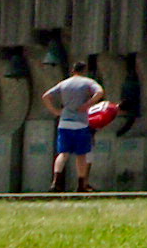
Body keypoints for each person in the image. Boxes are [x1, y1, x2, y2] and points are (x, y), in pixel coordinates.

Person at [41, 60, 105, 193]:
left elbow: (46, 96)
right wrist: (88, 104)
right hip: (81, 123)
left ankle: (56, 182)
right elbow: (100, 92)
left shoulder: (64, 83)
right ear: (84, 71)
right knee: (81, 154)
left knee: (63, 154)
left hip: (64, 122)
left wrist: (55, 111)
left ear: (73, 71)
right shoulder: (88, 82)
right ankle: (81, 184)